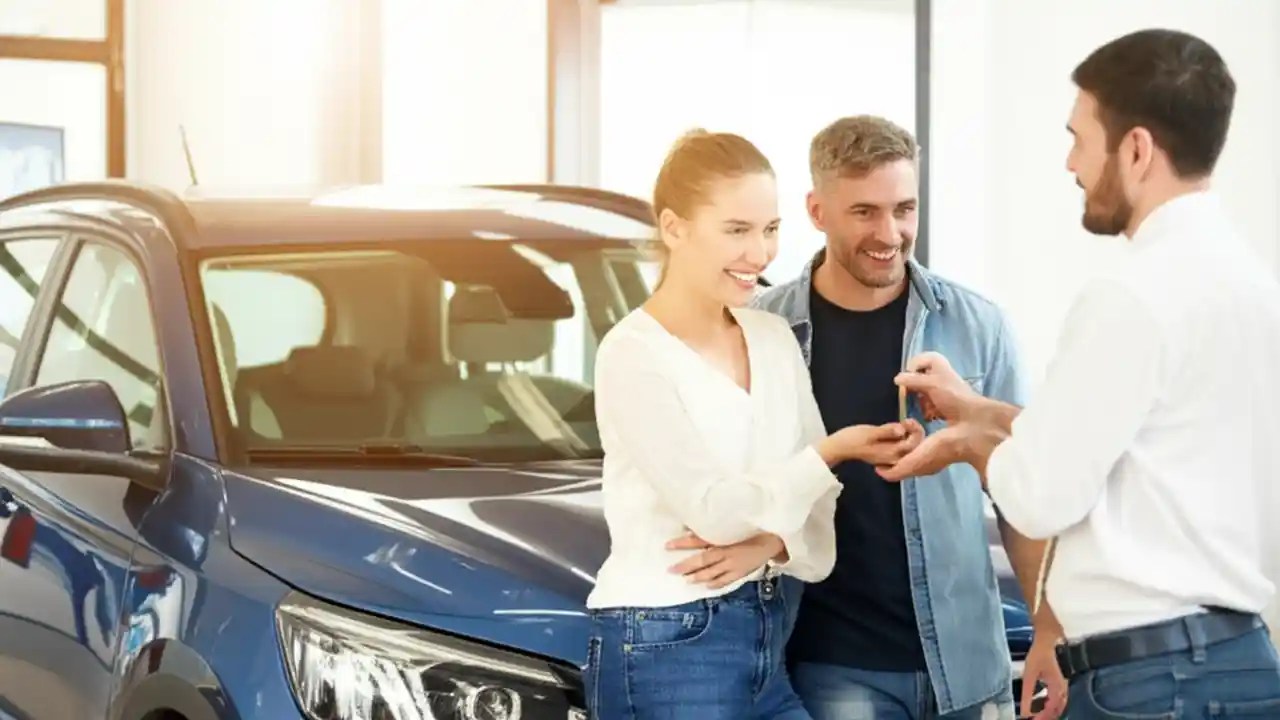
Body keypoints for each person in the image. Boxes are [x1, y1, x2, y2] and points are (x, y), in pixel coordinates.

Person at [879, 28, 1280, 719]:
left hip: (1150, 683)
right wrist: (979, 410)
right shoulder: (1252, 286)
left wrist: (970, 445)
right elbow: (1140, 451)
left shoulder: (1131, 295)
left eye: (1078, 138)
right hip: (1242, 664)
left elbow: (1039, 495)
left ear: (1136, 149)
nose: (1069, 163)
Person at [721, 115, 1057, 720]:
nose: (890, 233)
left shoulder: (978, 328)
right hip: (833, 666)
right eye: (865, 212)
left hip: (966, 664)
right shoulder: (763, 333)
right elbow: (743, 487)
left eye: (904, 208)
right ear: (817, 211)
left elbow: (1022, 496)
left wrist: (1049, 632)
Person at [584, 128, 925, 719]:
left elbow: (823, 499)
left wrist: (773, 541)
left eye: (769, 230)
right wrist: (829, 454)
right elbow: (714, 510)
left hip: (769, 633)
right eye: (736, 231)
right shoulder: (633, 353)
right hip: (665, 644)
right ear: (674, 228)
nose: (761, 255)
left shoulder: (770, 336)